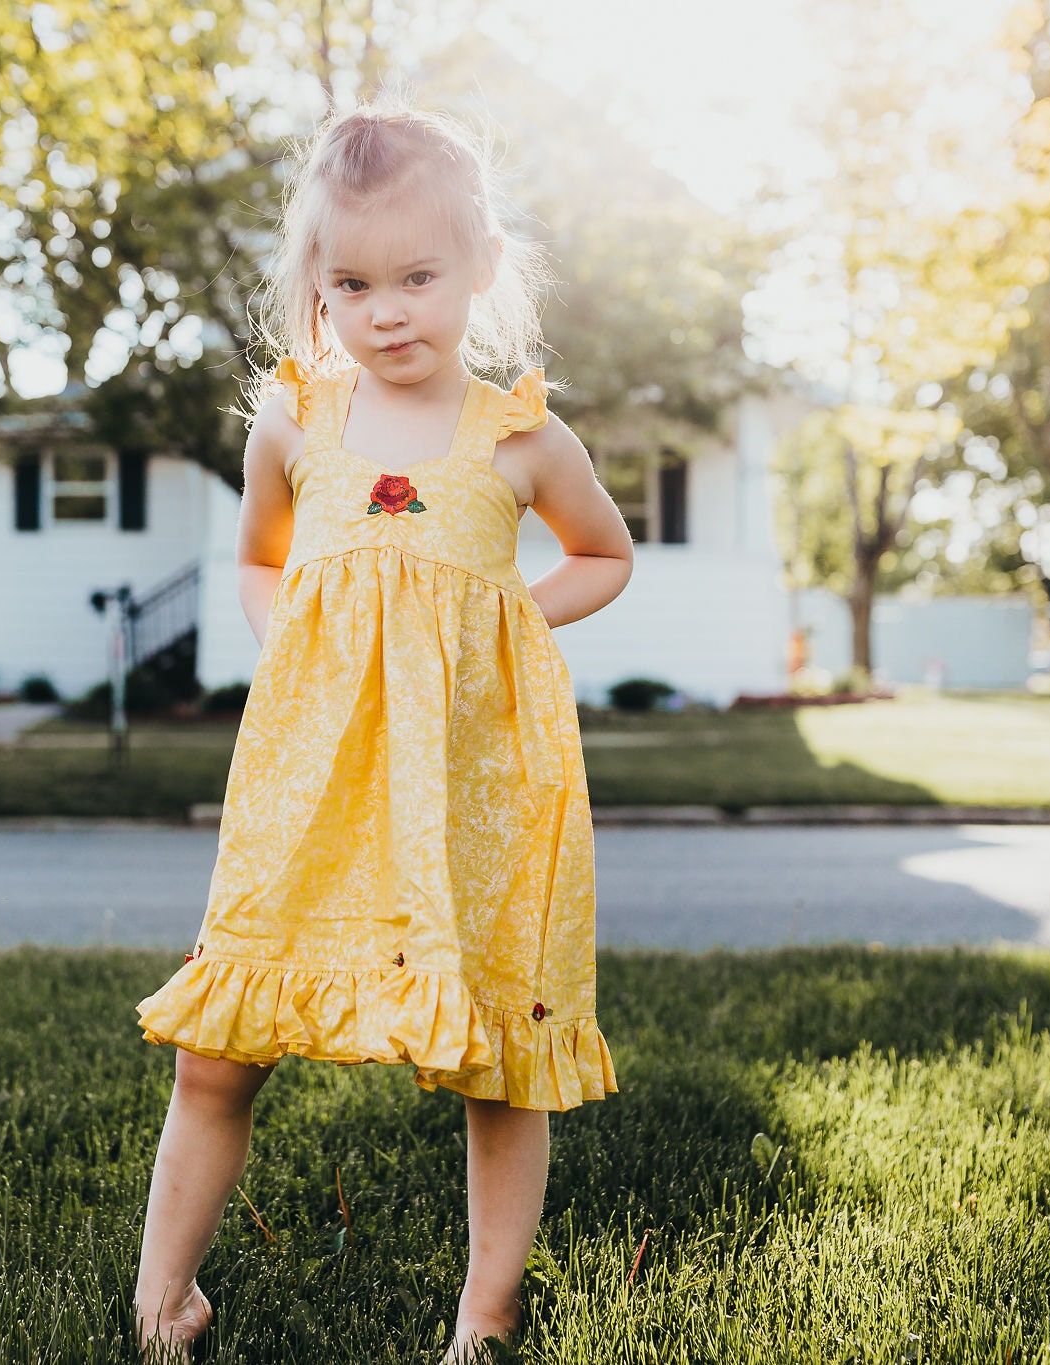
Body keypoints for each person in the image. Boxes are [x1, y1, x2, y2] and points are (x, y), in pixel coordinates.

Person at [131, 92, 634, 1363]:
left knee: (495, 1057)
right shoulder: (296, 420)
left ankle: (484, 1314)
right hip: (311, 775)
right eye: (352, 283)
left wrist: (503, 625)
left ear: (478, 271)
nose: (387, 310)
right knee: (218, 1046)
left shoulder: (517, 437)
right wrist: (287, 634)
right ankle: (160, 1302)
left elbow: (603, 556)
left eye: (417, 276)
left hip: (470, 779)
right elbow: (261, 563)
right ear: (315, 288)